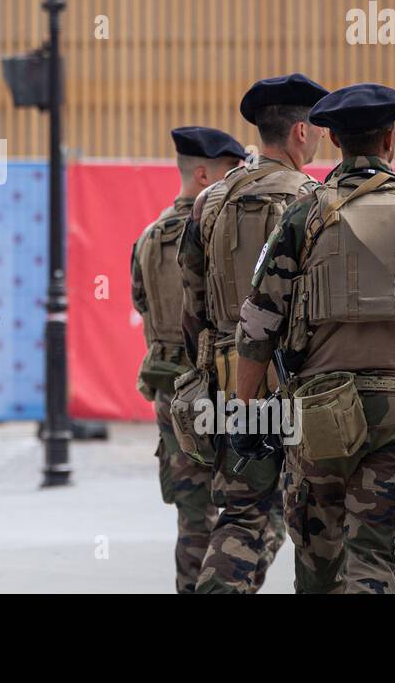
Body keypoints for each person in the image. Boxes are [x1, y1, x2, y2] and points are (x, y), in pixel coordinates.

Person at [233, 83, 395, 593]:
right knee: (375, 560)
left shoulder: (302, 216)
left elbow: (259, 325)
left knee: (318, 565)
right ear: (390, 140)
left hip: (316, 414)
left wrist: (246, 413)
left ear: (332, 138)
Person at [177, 72, 329, 593]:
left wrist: (207, 366)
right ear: (301, 133)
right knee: (312, 518)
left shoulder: (209, 202)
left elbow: (191, 300)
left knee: (240, 514)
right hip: (292, 383)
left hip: (226, 382)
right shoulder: (314, 201)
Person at [130, 126, 243, 593]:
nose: (236, 183)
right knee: (255, 512)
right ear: (203, 174)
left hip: (168, 393)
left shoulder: (149, 238)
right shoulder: (219, 233)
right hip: (216, 388)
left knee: (194, 518)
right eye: (229, 174)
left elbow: (142, 303)